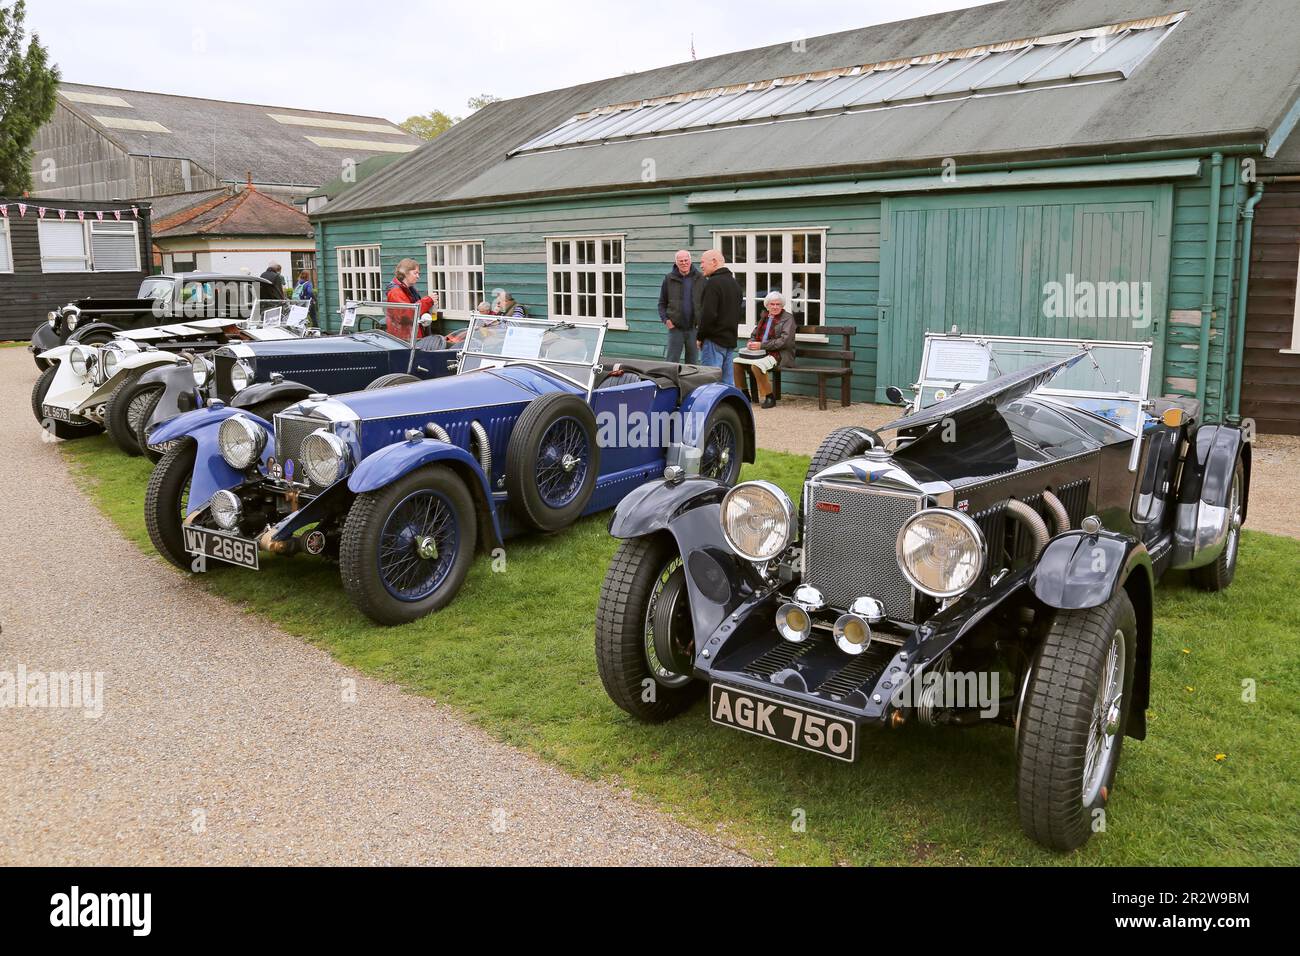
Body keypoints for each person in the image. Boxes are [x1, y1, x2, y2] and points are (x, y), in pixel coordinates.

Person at [734, 291, 796, 408]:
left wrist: (761, 345)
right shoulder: (765, 316)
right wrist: (751, 342)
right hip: (759, 352)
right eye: (772, 304)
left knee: (757, 366)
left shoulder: (788, 319)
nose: (775, 307)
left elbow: (785, 341)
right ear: (767, 306)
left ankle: (769, 396)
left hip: (780, 354)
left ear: (782, 306)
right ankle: (744, 394)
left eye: (778, 304)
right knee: (736, 363)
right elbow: (754, 333)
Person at [696, 249, 742, 383]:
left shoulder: (713, 283)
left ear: (714, 262)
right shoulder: (735, 284)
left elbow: (708, 314)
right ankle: (729, 405)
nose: (701, 266)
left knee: (710, 382)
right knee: (727, 384)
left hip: (713, 341)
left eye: (703, 262)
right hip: (729, 341)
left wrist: (700, 336)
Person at [657, 250, 703, 364]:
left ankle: (691, 382)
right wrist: (665, 320)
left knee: (693, 363)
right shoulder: (669, 279)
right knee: (671, 361)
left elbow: (706, 303)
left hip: (694, 329)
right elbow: (662, 303)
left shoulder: (700, 278)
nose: (684, 263)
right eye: (680, 261)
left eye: (686, 260)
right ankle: (670, 382)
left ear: (690, 261)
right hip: (675, 328)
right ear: (676, 263)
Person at [385, 258, 438, 340]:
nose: (418, 276)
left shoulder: (408, 289)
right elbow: (407, 314)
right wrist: (428, 301)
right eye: (415, 273)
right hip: (403, 339)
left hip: (409, 337)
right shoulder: (395, 292)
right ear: (405, 273)